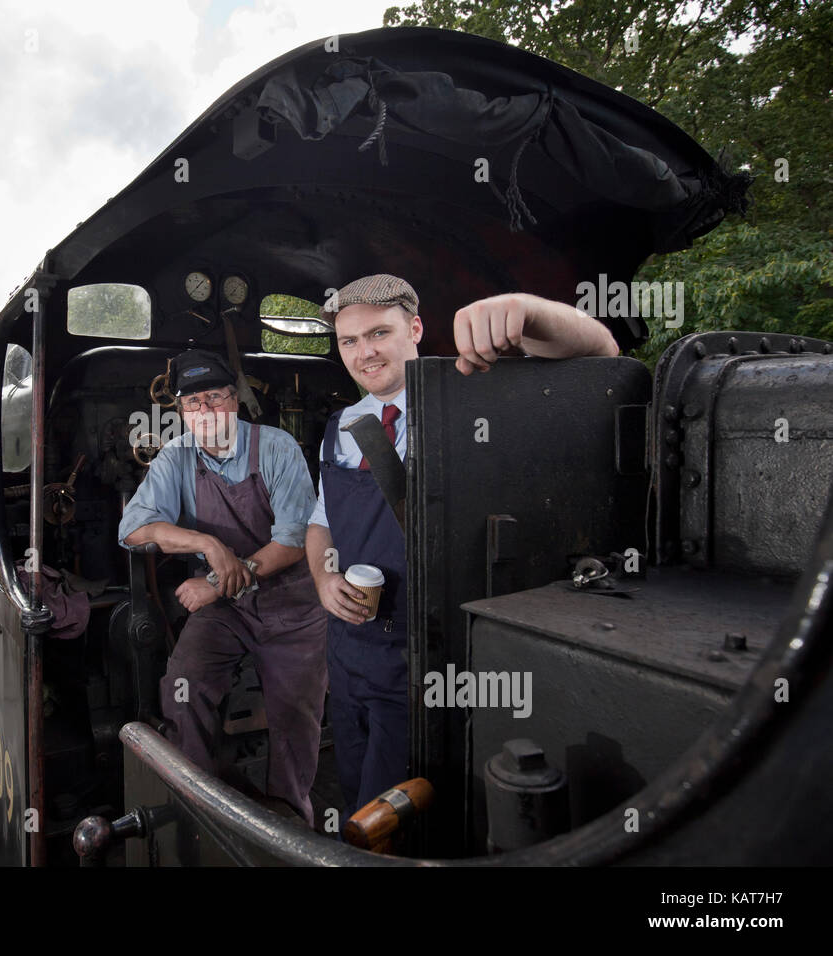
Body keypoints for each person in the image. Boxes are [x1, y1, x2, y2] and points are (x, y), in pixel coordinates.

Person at [305, 275, 619, 814]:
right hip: (350, 649)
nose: (365, 352)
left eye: (379, 333)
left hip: (427, 651)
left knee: (398, 811)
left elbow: (603, 351)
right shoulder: (343, 425)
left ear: (416, 327)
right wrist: (322, 578)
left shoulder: (473, 395)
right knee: (355, 788)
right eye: (349, 341)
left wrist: (526, 310)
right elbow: (320, 522)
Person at [118, 349, 329, 824]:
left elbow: (295, 541)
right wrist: (206, 543)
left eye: (214, 398)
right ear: (182, 414)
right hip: (228, 611)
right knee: (182, 687)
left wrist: (219, 581)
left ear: (234, 402)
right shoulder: (177, 457)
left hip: (290, 605)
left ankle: (290, 820)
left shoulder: (275, 447)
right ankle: (201, 806)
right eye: (192, 404)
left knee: (296, 720)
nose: (205, 412)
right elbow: (132, 529)